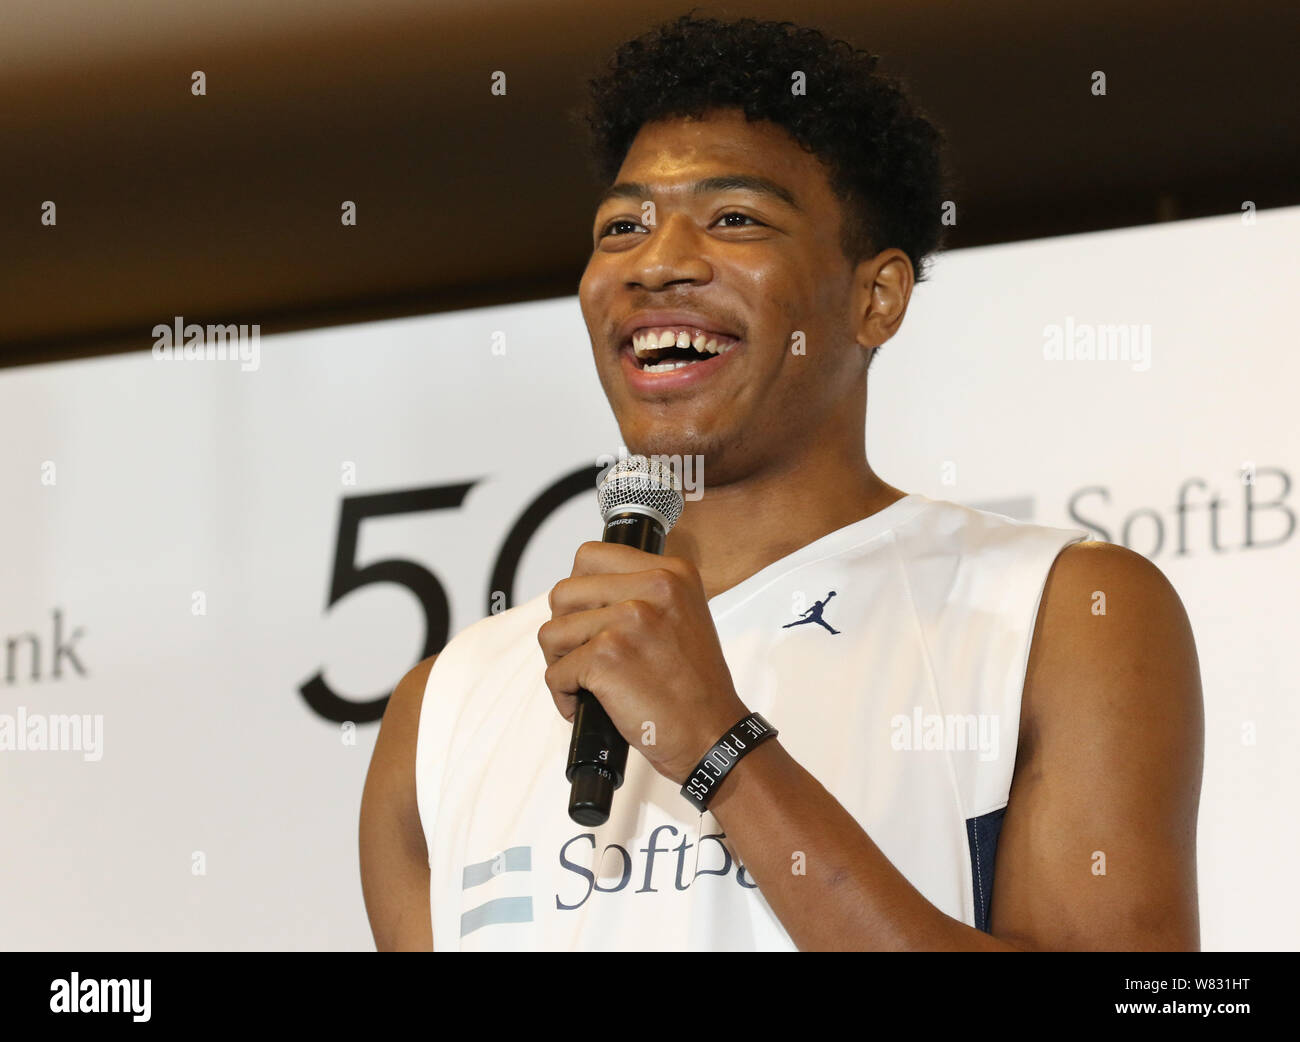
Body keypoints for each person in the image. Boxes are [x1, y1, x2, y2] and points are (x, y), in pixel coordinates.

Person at [360, 13, 1203, 951]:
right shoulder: (440, 710)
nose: (659, 263)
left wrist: (723, 749)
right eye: (623, 226)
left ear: (875, 298)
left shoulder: (1058, 612)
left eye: (733, 219)